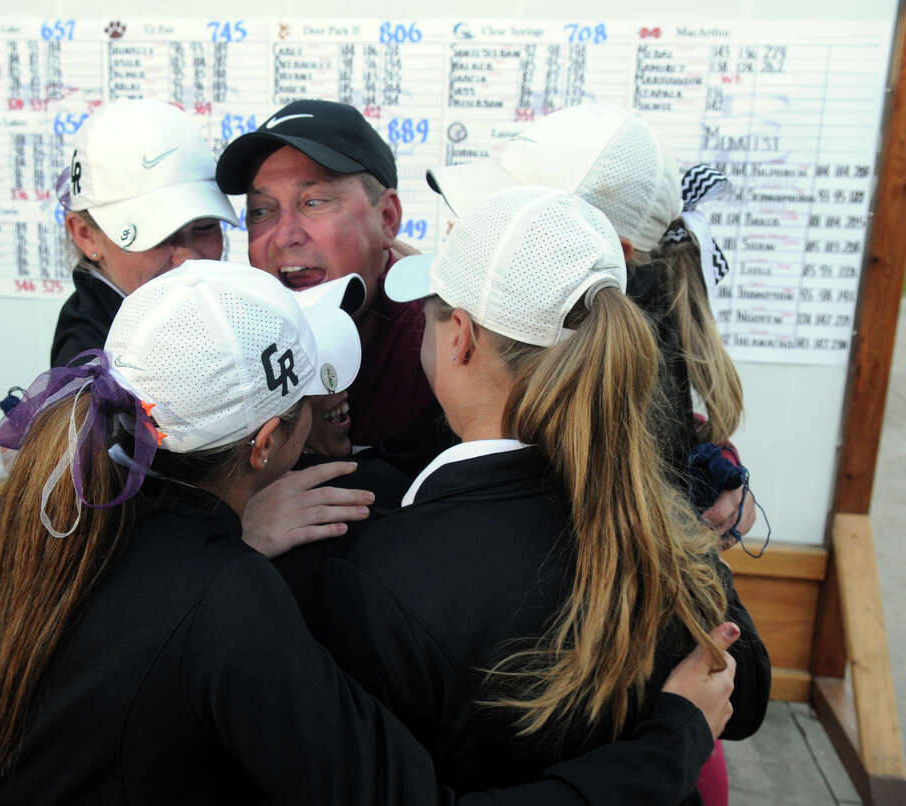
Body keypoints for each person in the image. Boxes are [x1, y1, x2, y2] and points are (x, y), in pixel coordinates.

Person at [0, 260, 742, 805]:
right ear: (266, 446)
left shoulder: (43, 515)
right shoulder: (228, 604)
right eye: (314, 410)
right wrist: (669, 740)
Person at [307, 188, 771, 803]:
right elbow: (749, 695)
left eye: (432, 311)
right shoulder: (659, 517)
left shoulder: (379, 575)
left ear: (460, 338)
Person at [425, 103, 754, 544]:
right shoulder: (637, 344)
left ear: (615, 251)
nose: (471, 233)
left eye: (514, 220)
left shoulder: (614, 400)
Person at [215, 100, 445, 473]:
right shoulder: (225, 351)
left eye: (314, 202)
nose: (284, 236)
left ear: (387, 219)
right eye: (260, 211)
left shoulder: (449, 342)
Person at [50, 99, 238, 368]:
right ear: (86, 235)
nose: (188, 258)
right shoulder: (92, 372)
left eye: (205, 226)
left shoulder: (181, 316)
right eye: (158, 235)